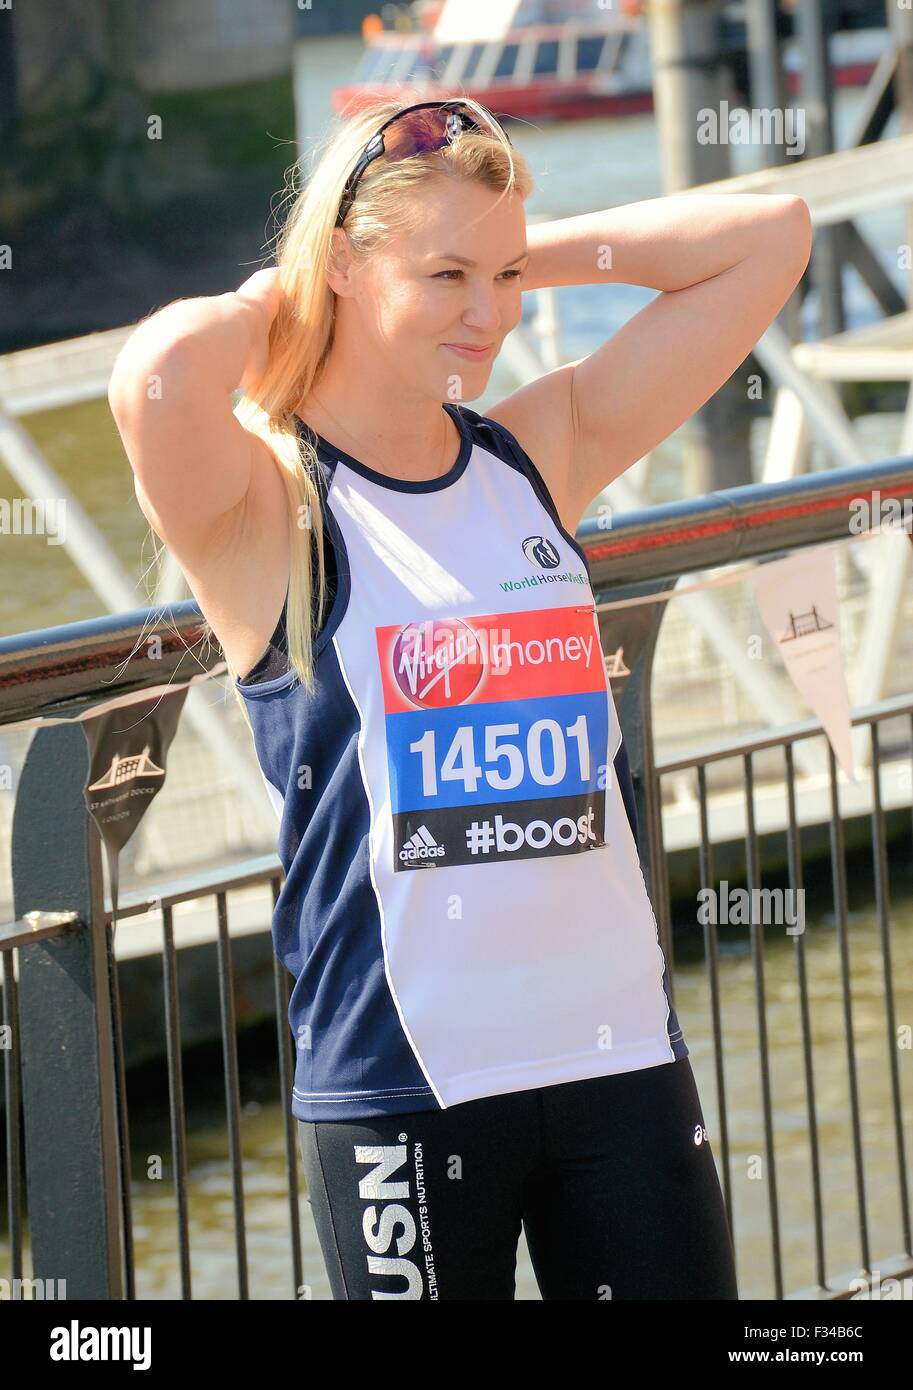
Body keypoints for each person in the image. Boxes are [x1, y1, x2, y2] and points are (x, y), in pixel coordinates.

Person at [108, 96, 812, 1300]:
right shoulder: (270, 510)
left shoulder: (535, 452)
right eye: (445, 277)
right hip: (404, 1085)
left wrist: (510, 247)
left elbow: (774, 235)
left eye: (504, 278)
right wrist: (286, 294)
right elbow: (157, 376)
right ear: (340, 261)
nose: (489, 316)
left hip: (617, 1058)